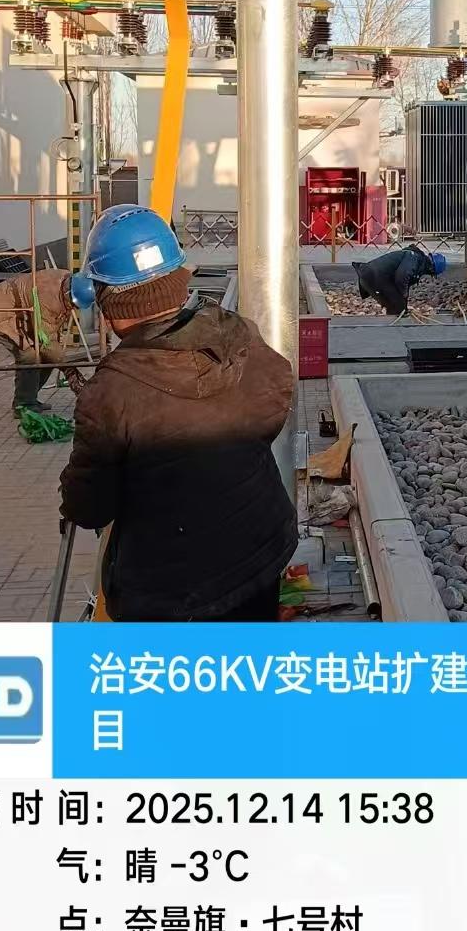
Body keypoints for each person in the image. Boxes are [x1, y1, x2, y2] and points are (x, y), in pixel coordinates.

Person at [59, 206, 296, 622]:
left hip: (170, 594)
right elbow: (277, 398)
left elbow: (90, 507)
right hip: (260, 553)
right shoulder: (237, 334)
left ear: (110, 303)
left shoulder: (111, 392)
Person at [0, 267, 84, 412]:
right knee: (30, 355)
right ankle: (24, 404)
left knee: (48, 358)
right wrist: (70, 370)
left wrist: (65, 365)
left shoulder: (68, 282)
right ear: (68, 294)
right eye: (74, 304)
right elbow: (46, 341)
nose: (74, 308)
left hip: (21, 311)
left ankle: (28, 397)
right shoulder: (47, 296)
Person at [352, 243, 447, 315]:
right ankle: (396, 331)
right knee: (398, 308)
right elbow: (401, 277)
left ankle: (391, 329)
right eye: (432, 274)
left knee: (396, 307)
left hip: (370, 275)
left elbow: (402, 281)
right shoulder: (414, 258)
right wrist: (404, 295)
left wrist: (404, 302)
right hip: (374, 277)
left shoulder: (417, 260)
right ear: (431, 268)